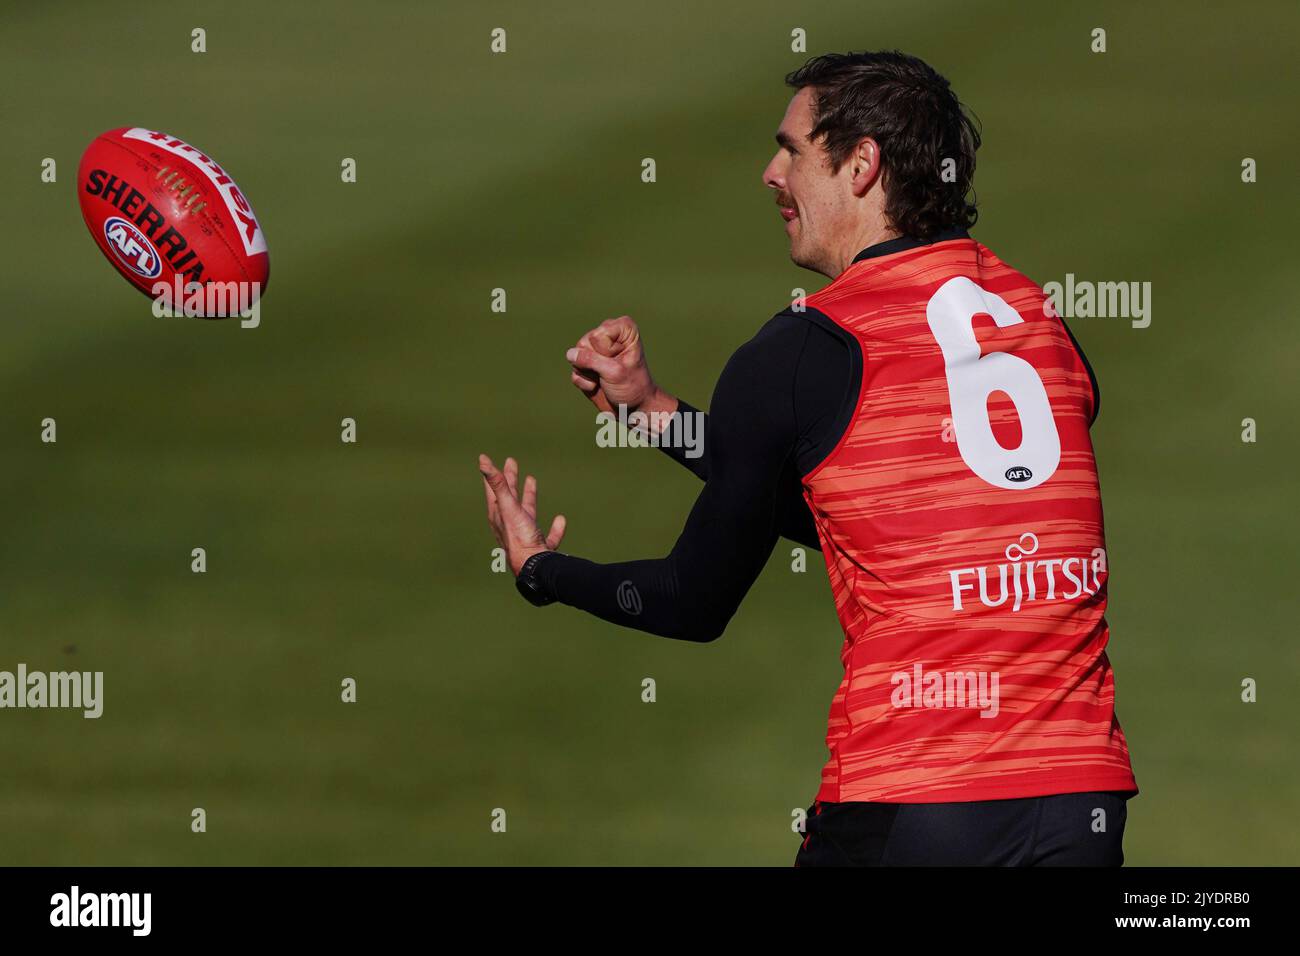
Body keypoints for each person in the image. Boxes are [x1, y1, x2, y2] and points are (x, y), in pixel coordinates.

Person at [480, 50, 1136, 866]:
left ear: (862, 165)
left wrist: (543, 572)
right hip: (1079, 802)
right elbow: (885, 531)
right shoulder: (1040, 321)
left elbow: (694, 601)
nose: (770, 173)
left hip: (912, 800)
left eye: (791, 150)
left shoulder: (798, 349)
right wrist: (652, 413)